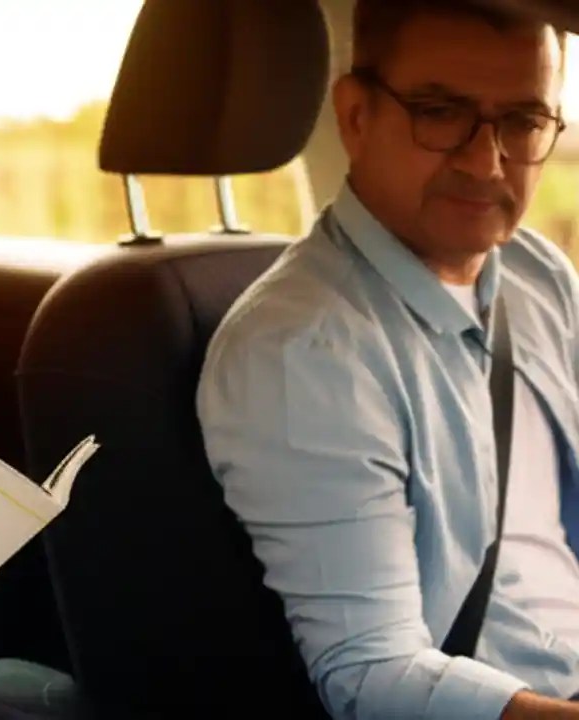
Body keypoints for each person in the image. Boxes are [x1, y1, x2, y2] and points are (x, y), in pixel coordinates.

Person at [197, 1, 579, 719]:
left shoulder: (536, 273)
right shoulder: (304, 352)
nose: (485, 161)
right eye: (440, 112)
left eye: (524, 121)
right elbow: (373, 675)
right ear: (355, 116)